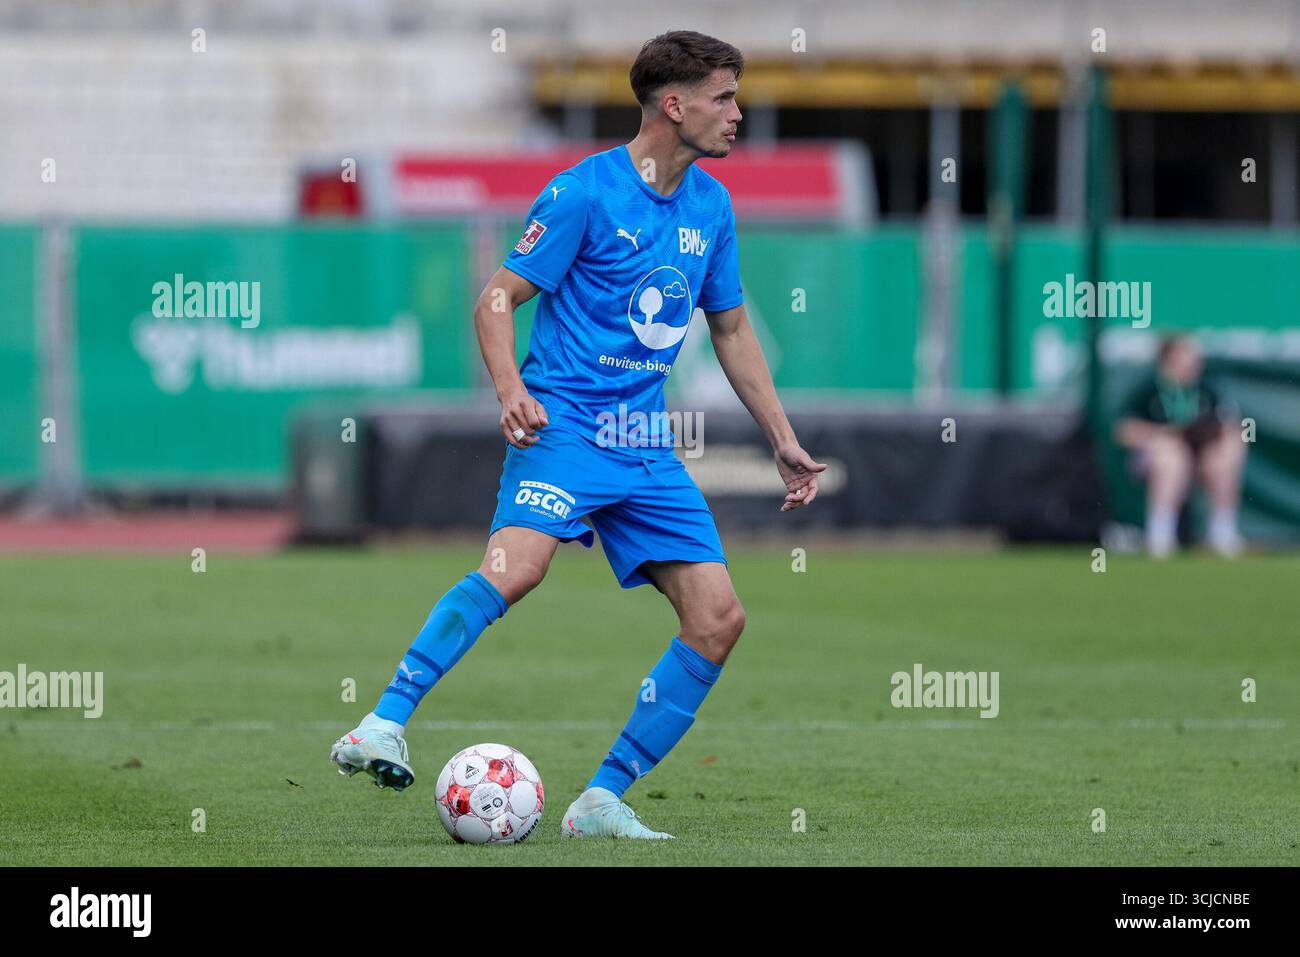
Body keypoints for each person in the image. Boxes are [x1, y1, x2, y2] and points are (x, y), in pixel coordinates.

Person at [330, 31, 826, 839]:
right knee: (516, 569)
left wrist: (781, 437)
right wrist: (510, 387)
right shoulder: (583, 193)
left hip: (645, 443)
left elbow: (731, 331)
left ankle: (601, 799)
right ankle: (381, 723)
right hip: (564, 428)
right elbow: (497, 296)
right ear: (675, 105)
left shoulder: (711, 205)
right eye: (725, 97)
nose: (738, 113)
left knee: (719, 619)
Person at [1115, 335, 1245, 558]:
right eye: (1186, 355)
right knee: (1170, 455)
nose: (1193, 361)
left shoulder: (1206, 389)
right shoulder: (1147, 389)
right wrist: (1164, 434)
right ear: (1169, 357)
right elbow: (1123, 431)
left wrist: (1222, 440)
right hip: (1154, 460)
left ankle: (1222, 533)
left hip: (1201, 457)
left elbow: (1230, 425)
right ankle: (1160, 535)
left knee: (1226, 454)